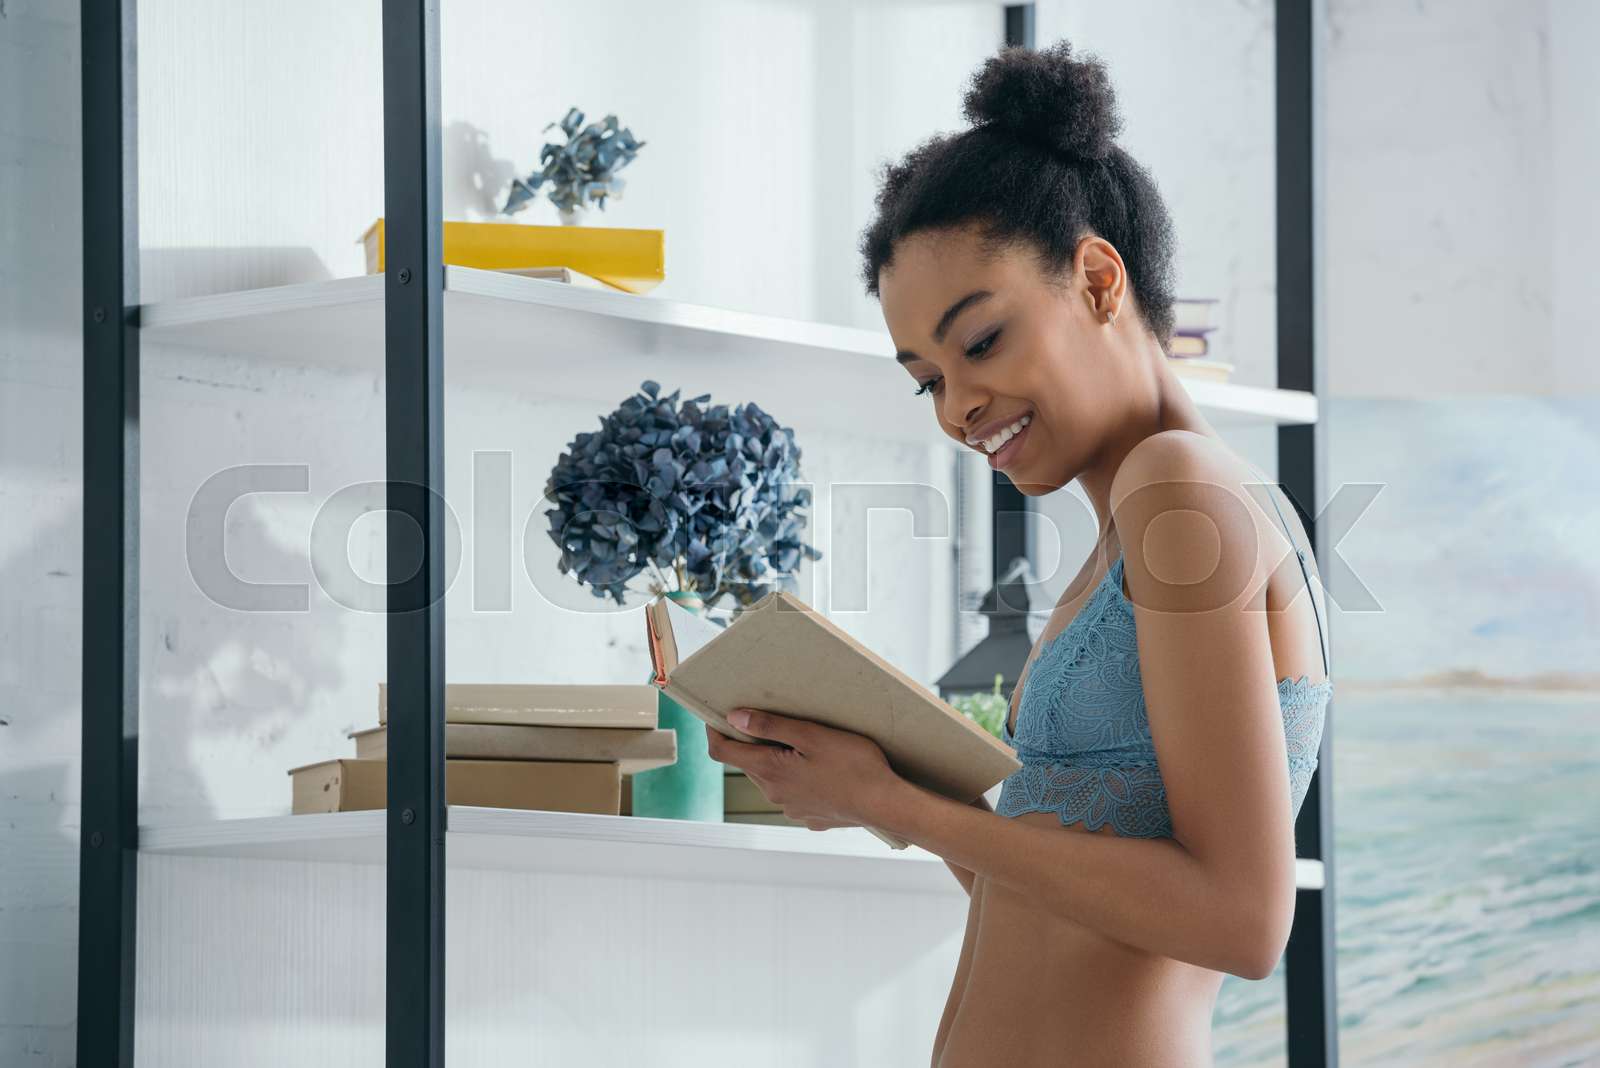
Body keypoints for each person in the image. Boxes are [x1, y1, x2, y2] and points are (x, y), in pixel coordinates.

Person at [706, 38, 1332, 1067]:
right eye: (927, 380)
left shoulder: (1178, 486)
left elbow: (1240, 920)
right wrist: (893, 781)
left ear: (1095, 279)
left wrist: (890, 802)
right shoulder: (1129, 531)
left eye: (981, 343)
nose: (958, 409)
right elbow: (1069, 905)